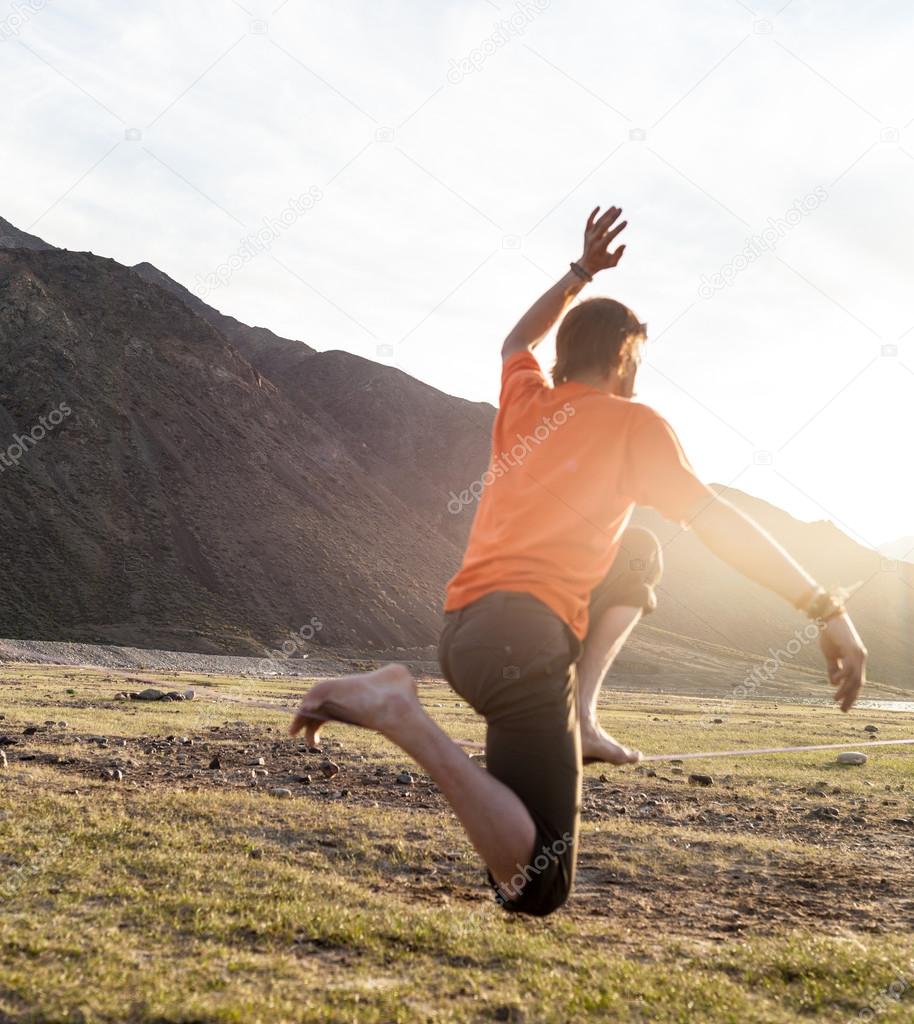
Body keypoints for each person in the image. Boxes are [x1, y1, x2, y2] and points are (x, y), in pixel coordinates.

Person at [290, 204, 867, 917]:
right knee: (536, 884)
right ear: (626, 359)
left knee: (638, 552)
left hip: (469, 628)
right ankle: (400, 713)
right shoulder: (637, 425)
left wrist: (581, 272)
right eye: (638, 363)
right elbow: (720, 524)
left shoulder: (527, 400)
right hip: (524, 645)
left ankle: (583, 719)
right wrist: (824, 604)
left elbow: (513, 337)